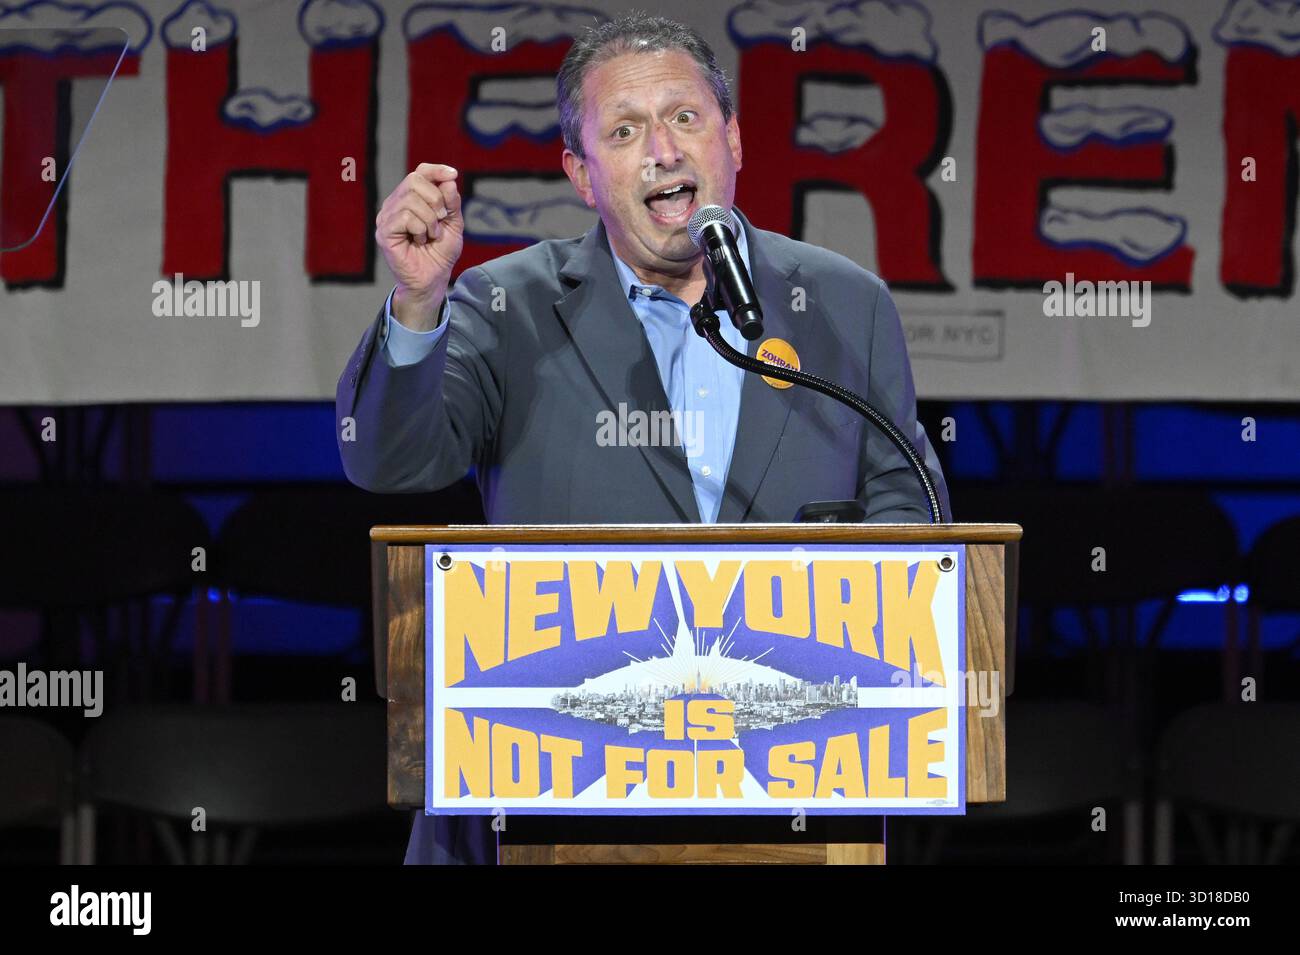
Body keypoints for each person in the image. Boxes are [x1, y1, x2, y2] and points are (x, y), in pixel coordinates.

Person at [336, 13, 950, 864]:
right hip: (550, 802)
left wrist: (830, 605)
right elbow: (390, 458)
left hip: (794, 798)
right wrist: (416, 306)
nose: (663, 149)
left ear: (732, 139)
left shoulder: (842, 303)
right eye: (624, 132)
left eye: (685, 118)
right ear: (583, 176)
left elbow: (911, 513)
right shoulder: (503, 306)